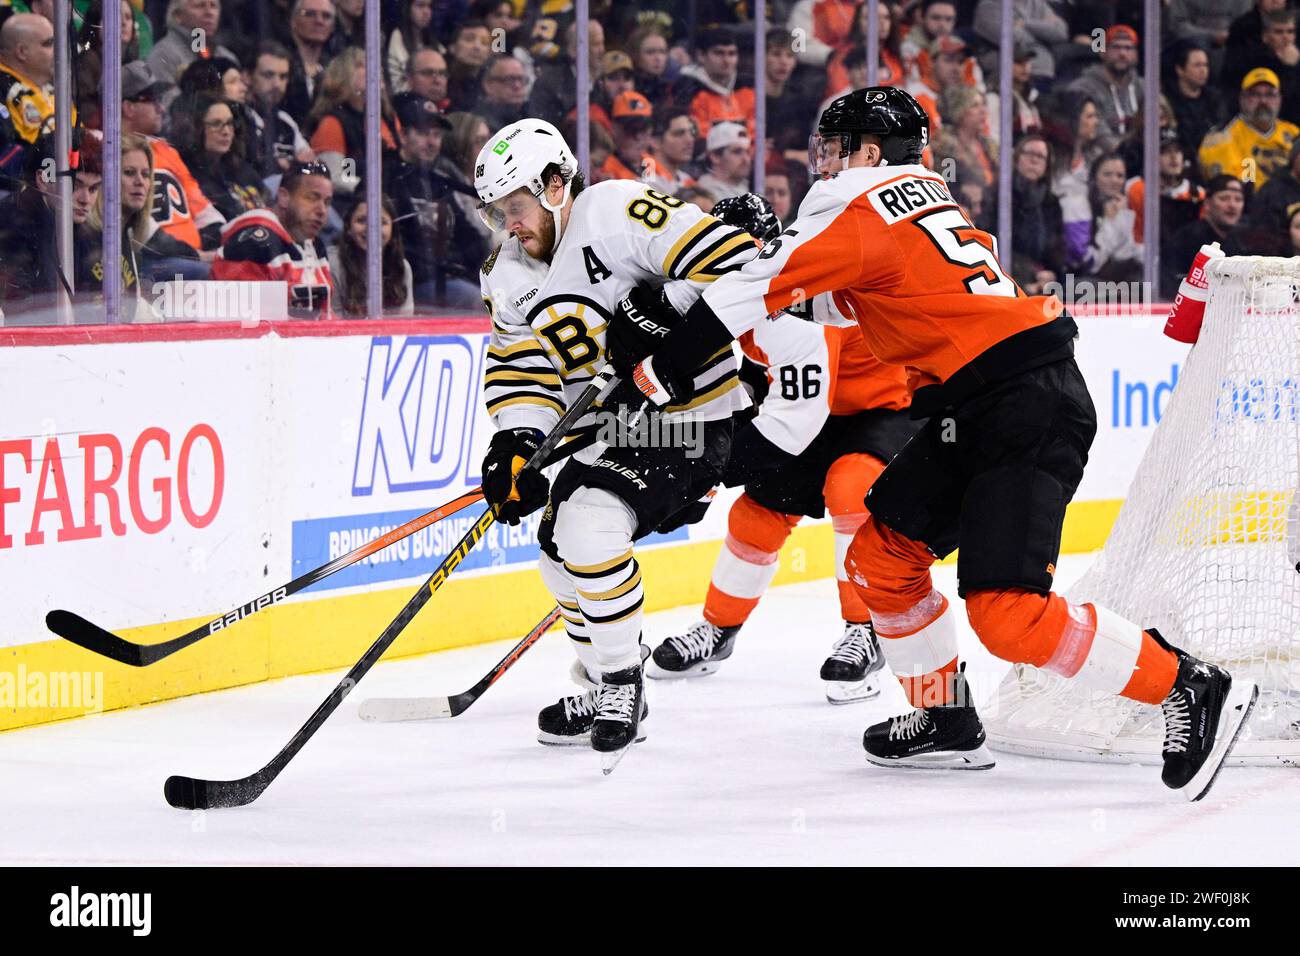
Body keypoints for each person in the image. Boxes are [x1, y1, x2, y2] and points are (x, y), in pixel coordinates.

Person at [615, 86, 1258, 798]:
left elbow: (757, 292)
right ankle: (946, 719)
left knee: (1007, 613)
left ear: (865, 151)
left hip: (1022, 403)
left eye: (833, 149)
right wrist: (684, 300)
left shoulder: (850, 201)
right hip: (981, 402)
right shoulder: (917, 194)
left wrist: (661, 362)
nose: (823, 166)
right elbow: (816, 293)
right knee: (881, 559)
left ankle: (1186, 684)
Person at [473, 118, 757, 767]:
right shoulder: (507, 273)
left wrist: (668, 313)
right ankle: (606, 679)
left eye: (515, 208)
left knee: (585, 517)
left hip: (688, 416)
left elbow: (742, 263)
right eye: (497, 213)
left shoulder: (619, 210)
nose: (509, 225)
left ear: (553, 186)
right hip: (612, 427)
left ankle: (622, 685)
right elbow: (522, 368)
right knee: (555, 545)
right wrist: (518, 441)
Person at [649, 192, 918, 703]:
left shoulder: (794, 299)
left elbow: (794, 420)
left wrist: (706, 473)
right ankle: (718, 630)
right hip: (811, 406)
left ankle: (866, 630)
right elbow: (751, 387)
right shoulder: (734, 291)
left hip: (883, 406)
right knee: (757, 514)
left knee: (851, 487)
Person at [382, 95, 481, 310]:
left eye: (436, 135)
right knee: (484, 303)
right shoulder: (385, 176)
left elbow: (468, 236)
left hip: (449, 279)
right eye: (423, 133)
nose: (432, 141)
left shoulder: (437, 179)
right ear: (404, 135)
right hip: (411, 283)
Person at [211, 160, 334, 318]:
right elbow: (246, 325)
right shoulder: (255, 243)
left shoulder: (315, 245)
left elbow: (325, 316)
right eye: (312, 198)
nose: (322, 210)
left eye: (327, 202)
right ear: (283, 197)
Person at [305, 48, 398, 199]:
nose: (376, 68)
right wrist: (376, 190)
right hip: (352, 203)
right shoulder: (334, 123)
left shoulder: (389, 118)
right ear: (344, 75)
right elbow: (336, 177)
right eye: (363, 65)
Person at [1199, 67, 1300, 190]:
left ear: (1279, 99)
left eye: (1270, 94)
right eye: (1255, 94)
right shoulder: (1225, 137)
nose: (1263, 101)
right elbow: (1238, 188)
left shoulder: (1293, 132)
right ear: (1242, 98)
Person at [177, 93, 267, 222]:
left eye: (229, 123)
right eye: (216, 124)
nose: (226, 132)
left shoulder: (241, 169)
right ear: (196, 128)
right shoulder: (187, 174)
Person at [1163, 174, 1248, 297]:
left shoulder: (1239, 242)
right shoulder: (1186, 240)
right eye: (1224, 198)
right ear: (1207, 204)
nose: (1232, 205)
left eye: (1238, 199)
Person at [328, 195, 413, 317]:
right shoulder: (334, 264)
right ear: (348, 228)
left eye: (381, 222)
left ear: (392, 230)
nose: (371, 229)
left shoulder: (402, 267)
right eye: (362, 220)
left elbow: (404, 325)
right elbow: (332, 324)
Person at [244, 40, 315, 178]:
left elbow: (308, 161)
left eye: (283, 77)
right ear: (247, 76)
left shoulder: (286, 121)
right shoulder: (238, 116)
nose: (277, 84)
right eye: (268, 75)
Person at [671, 27, 756, 142]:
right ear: (701, 56)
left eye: (732, 54)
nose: (726, 61)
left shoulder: (748, 88)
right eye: (719, 53)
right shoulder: (686, 89)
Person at [1068, 24, 1143, 141]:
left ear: (1136, 55)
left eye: (1128, 48)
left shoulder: (1145, 87)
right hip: (1098, 154)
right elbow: (1099, 134)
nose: (1122, 53)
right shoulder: (1084, 88)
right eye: (1116, 47)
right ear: (1103, 52)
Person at [1165, 40, 1229, 161]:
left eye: (1205, 65)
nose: (1203, 70)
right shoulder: (1169, 100)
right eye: (1197, 65)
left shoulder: (1215, 99)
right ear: (1180, 70)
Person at [600, 89, 654, 180]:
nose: (638, 137)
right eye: (632, 129)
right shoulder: (604, 170)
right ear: (615, 129)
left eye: (644, 129)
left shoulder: (651, 162)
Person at [643, 106, 698, 195]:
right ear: (655, 142)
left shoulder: (687, 179)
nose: (690, 140)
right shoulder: (645, 181)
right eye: (679, 134)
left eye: (691, 133)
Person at [386, 0, 436, 94]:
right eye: (420, 6)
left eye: (429, 6)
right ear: (407, 9)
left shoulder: (431, 38)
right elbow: (399, 82)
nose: (426, 12)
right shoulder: (397, 36)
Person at [696, 120, 752, 201]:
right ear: (715, 157)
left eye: (748, 152)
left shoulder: (749, 187)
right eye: (737, 152)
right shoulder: (703, 194)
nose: (746, 159)